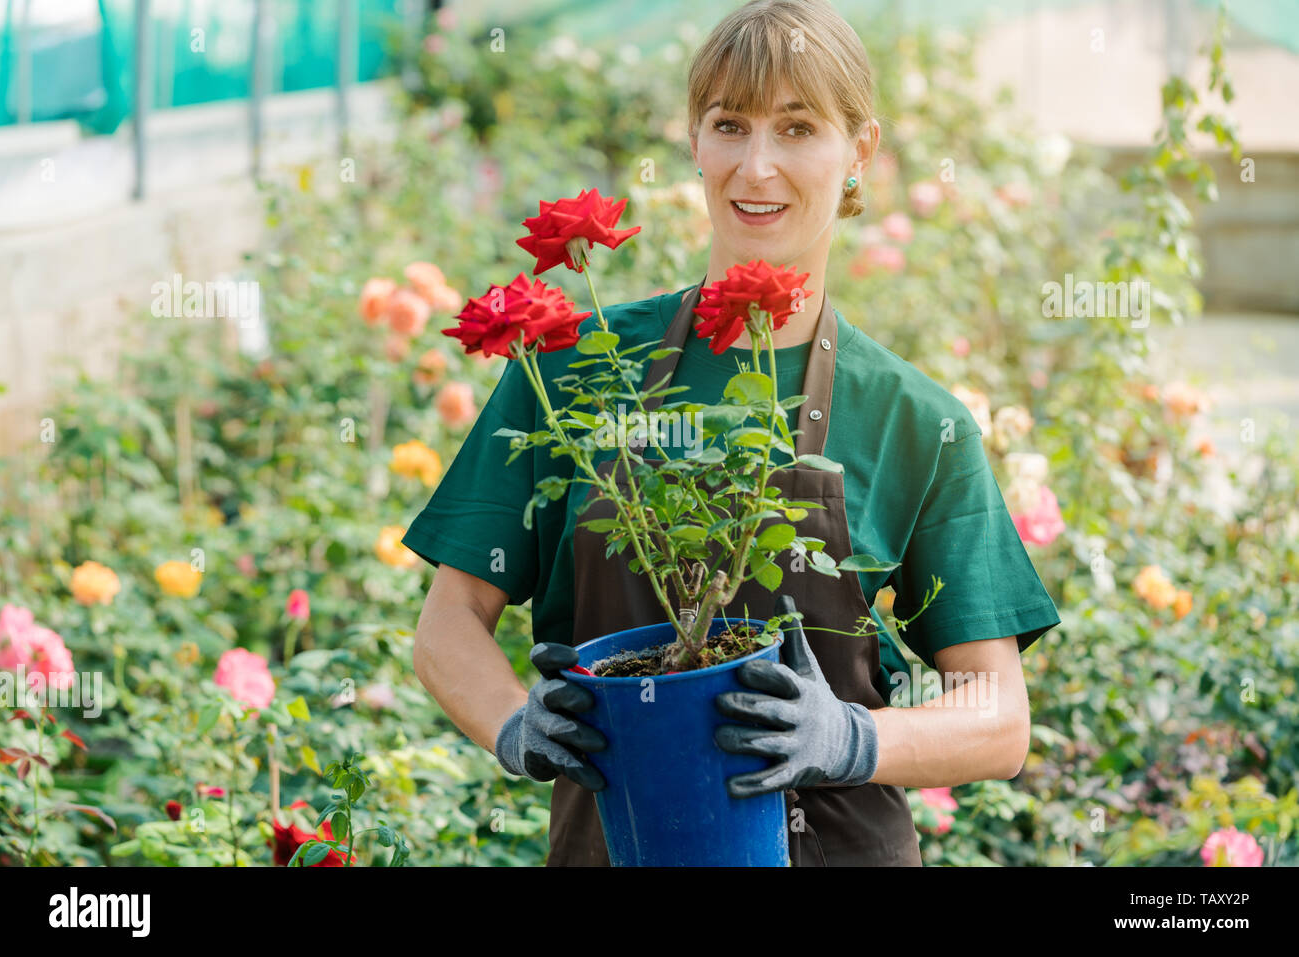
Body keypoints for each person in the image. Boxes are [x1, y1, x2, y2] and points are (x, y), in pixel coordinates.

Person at [403, 0, 1061, 866]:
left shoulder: (913, 419)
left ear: (859, 151)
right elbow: (449, 622)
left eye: (797, 128)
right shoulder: (570, 372)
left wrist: (851, 739)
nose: (757, 167)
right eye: (730, 125)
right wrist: (515, 725)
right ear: (694, 141)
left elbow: (998, 715)